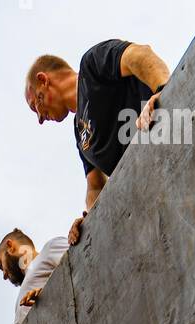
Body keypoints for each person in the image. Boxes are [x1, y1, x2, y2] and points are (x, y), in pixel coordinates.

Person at [25, 42, 171, 244]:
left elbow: (138, 54)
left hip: (168, 143)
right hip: (153, 190)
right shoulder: (79, 132)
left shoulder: (91, 66)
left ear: (43, 80)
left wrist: (163, 90)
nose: (40, 118)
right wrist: (89, 219)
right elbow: (95, 187)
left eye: (35, 105)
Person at [0, 228, 69, 324]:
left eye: (1, 264)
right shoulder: (20, 300)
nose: (4, 275)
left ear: (11, 246)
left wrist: (50, 292)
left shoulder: (50, 249)